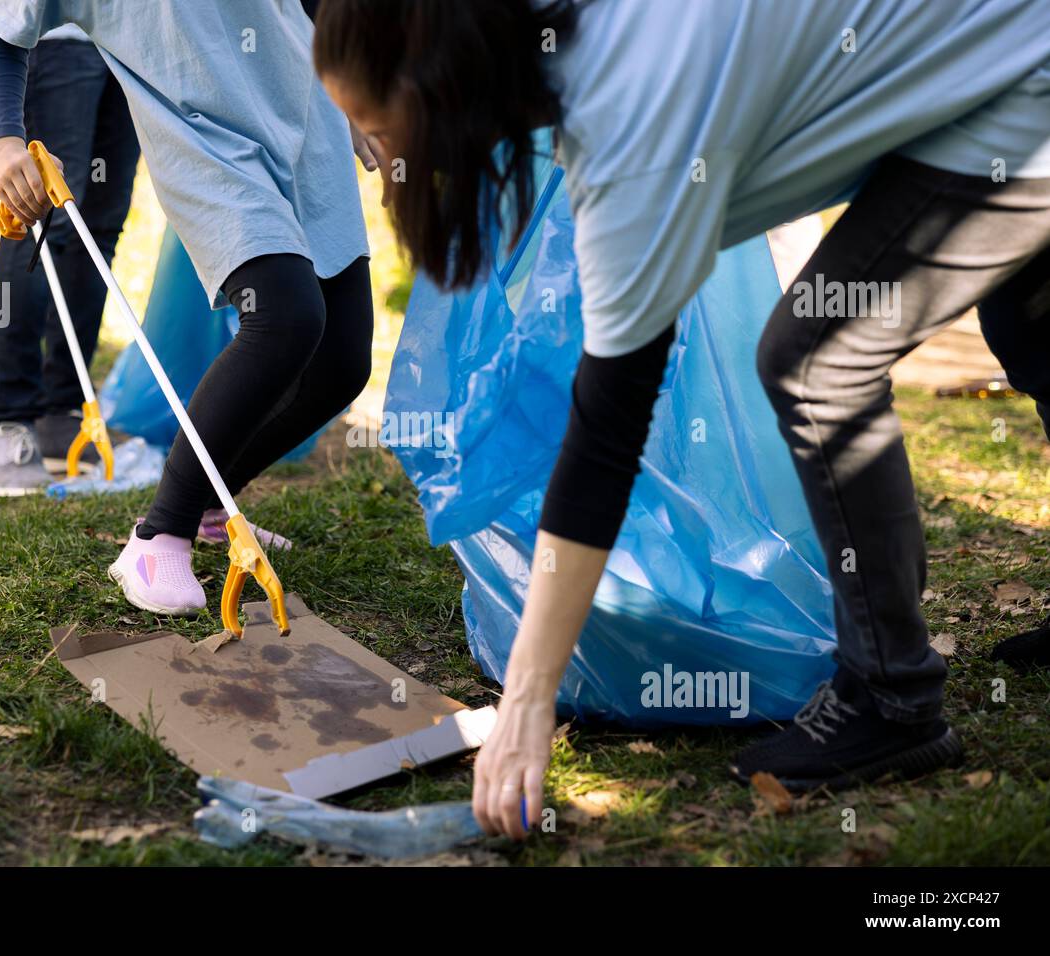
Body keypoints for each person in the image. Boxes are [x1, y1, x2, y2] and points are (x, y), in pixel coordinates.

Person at [311, 0, 1050, 837]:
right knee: (1034, 328)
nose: (376, 158)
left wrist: (526, 701)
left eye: (374, 128)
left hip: (1021, 93)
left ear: (444, 97)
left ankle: (894, 694)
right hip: (1002, 61)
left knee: (816, 361)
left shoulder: (632, 129)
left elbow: (606, 434)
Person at [0, 0, 377, 612]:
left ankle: (215, 502)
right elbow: (3, 29)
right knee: (286, 318)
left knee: (343, 362)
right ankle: (159, 533)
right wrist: (2, 141)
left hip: (308, 120)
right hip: (207, 141)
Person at [0, 0, 140, 496]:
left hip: (127, 47)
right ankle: (8, 420)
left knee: (98, 229)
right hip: (46, 40)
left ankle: (64, 413)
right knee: (37, 217)